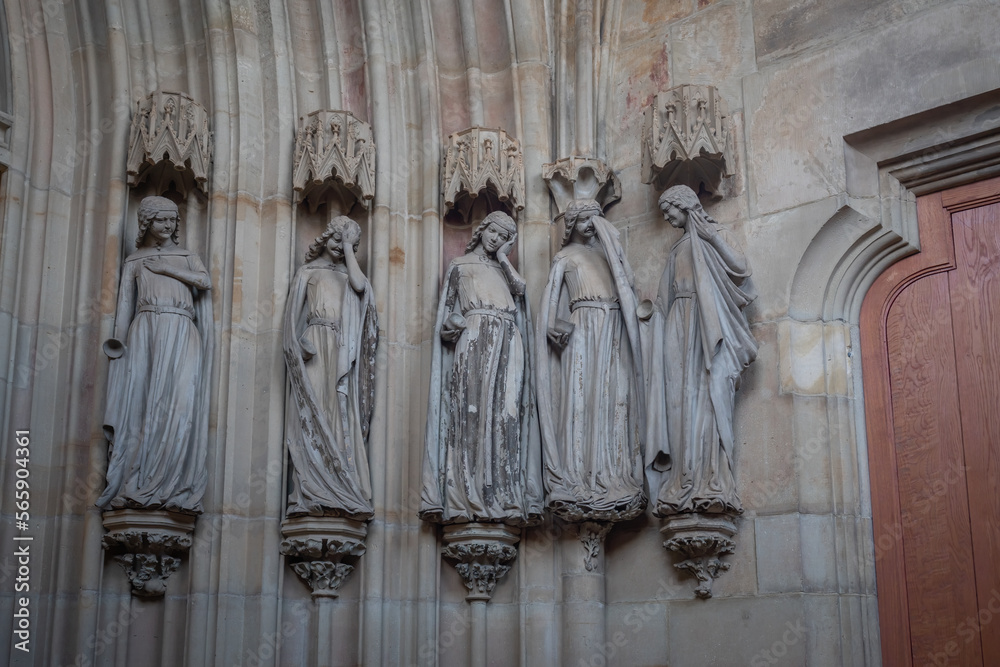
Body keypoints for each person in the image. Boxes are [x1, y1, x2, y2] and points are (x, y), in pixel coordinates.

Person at [420, 211, 542, 526]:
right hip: (474, 338)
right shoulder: (460, 266)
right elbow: (445, 316)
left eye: (504, 237)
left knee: (506, 415)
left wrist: (503, 258)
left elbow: (520, 288)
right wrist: (451, 325)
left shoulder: (506, 271)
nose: (495, 239)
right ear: (482, 229)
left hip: (508, 340)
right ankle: (465, 494)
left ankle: (504, 495)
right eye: (493, 232)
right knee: (470, 413)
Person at [646, 185, 757, 517]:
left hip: (709, 325)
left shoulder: (714, 235)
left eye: (669, 210)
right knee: (679, 401)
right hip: (677, 327)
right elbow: (663, 300)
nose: (667, 218)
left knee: (710, 395)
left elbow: (741, 269)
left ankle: (712, 478)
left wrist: (711, 238)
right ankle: (684, 476)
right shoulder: (677, 249)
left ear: (685, 205)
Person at [99, 196, 213, 514]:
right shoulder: (135, 260)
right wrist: (119, 340)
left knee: (179, 403)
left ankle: (170, 484)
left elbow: (204, 281)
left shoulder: (187, 256)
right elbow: (125, 302)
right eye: (161, 220)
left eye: (172, 220)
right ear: (147, 223)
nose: (168, 226)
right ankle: (133, 481)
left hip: (181, 328)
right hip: (145, 330)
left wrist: (168, 269)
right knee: (140, 404)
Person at [536, 199, 645, 522]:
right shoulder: (565, 257)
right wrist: (552, 325)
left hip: (613, 325)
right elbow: (550, 301)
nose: (589, 225)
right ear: (572, 223)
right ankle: (577, 474)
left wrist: (613, 246)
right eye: (583, 219)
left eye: (593, 219)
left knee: (614, 398)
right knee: (581, 398)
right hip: (583, 325)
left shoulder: (607, 256)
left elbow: (628, 284)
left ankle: (613, 472)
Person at [283, 216, 378, 519]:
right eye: (337, 239)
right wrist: (297, 344)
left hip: (341, 349)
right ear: (325, 238)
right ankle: (310, 488)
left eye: (351, 244)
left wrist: (348, 250)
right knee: (313, 411)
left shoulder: (350, 275)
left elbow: (361, 287)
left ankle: (341, 486)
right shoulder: (307, 272)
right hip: (315, 344)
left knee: (339, 413)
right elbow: (291, 319)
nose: (341, 247)